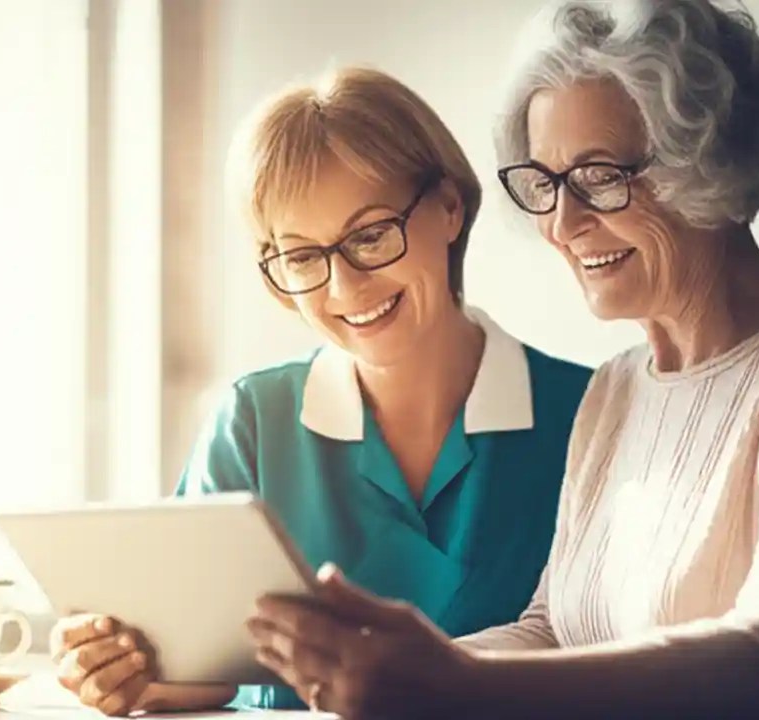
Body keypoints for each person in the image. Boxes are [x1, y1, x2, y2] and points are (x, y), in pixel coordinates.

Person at [246, 2, 759, 718]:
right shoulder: (618, 386)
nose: (562, 224)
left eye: (598, 176)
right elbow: (552, 628)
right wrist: (391, 671)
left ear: (704, 160)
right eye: (545, 182)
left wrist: (453, 684)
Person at [49, 66, 592, 715]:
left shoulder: (590, 415)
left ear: (449, 207)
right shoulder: (254, 423)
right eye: (303, 256)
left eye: (370, 235)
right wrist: (127, 667)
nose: (345, 288)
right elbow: (202, 669)